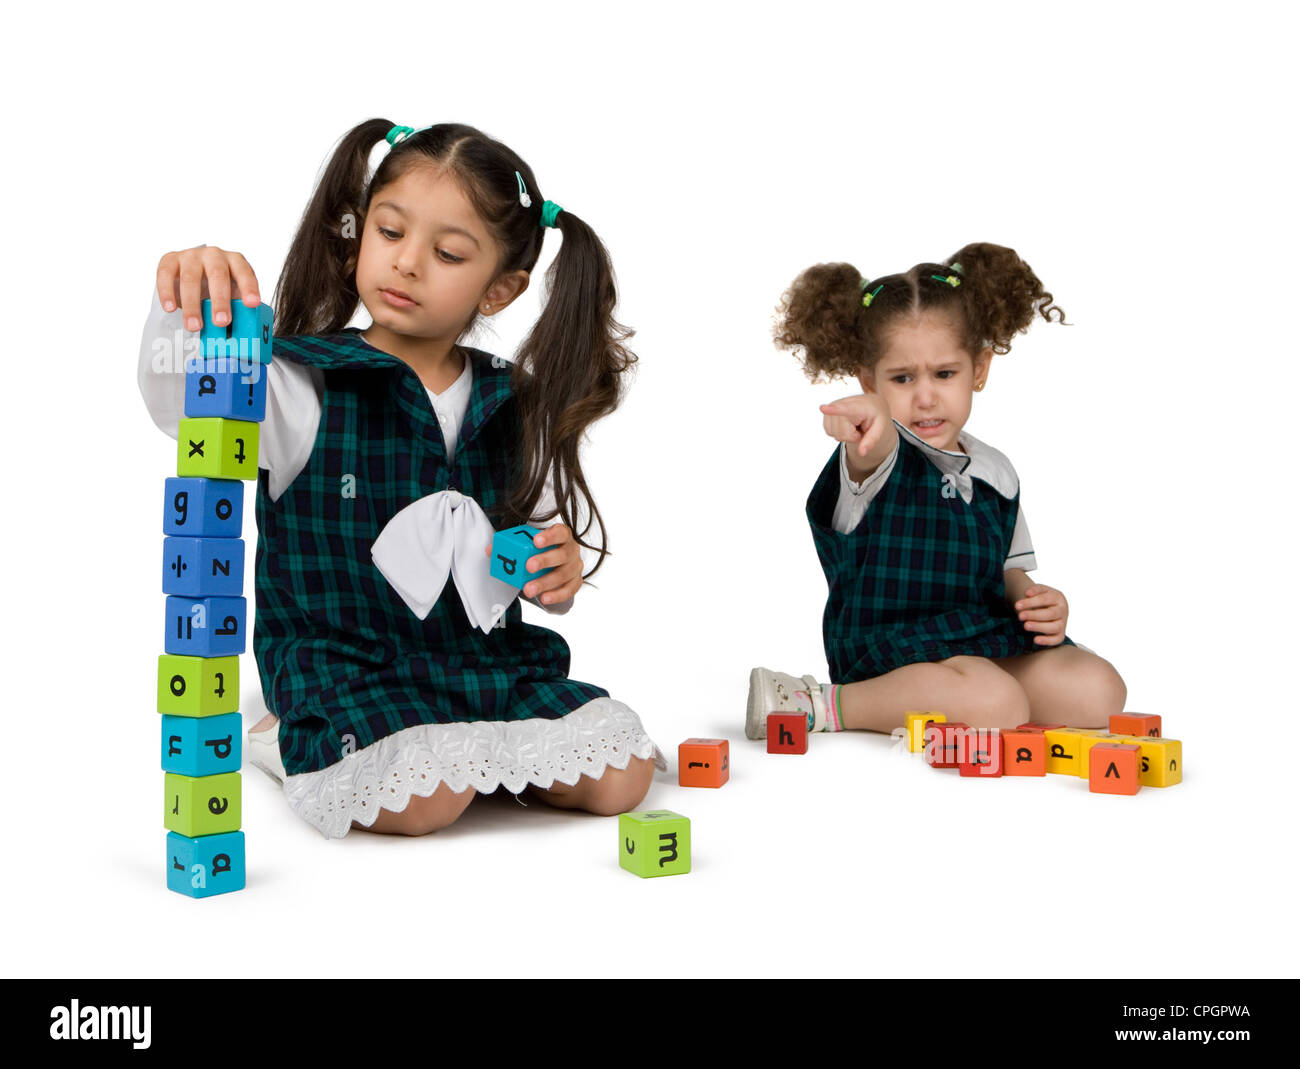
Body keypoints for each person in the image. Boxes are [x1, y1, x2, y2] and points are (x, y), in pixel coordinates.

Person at [140, 120, 663, 839]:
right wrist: (188, 302)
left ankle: (474, 745)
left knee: (623, 773)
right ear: (361, 234)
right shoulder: (300, 383)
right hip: (351, 668)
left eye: (448, 252)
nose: (408, 263)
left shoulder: (518, 401)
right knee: (425, 803)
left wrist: (557, 567)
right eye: (390, 233)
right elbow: (180, 407)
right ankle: (282, 737)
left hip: (486, 665)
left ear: (500, 290)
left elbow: (536, 542)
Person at [747, 243, 1126, 740]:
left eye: (945, 374)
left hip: (977, 636)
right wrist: (867, 424)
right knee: (996, 703)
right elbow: (873, 444)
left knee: (1099, 690)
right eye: (902, 379)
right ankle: (824, 702)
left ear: (980, 369)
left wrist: (1037, 602)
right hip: (888, 647)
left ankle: (978, 698)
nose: (926, 397)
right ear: (870, 382)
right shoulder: (877, 455)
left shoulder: (996, 471)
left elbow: (1009, 569)